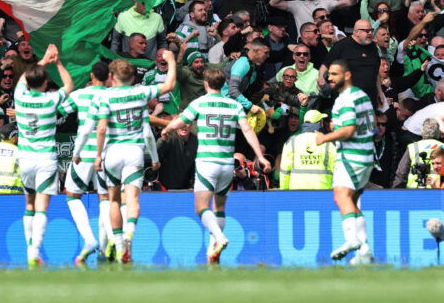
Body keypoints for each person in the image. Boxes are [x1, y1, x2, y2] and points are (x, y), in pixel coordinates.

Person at [160, 67, 270, 264]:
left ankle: (219, 238)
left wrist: (167, 128)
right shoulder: (234, 106)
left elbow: (180, 122)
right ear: (223, 85)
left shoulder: (199, 103)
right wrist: (260, 156)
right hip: (227, 164)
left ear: (205, 84)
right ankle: (213, 252)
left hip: (206, 162)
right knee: (219, 208)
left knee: (201, 208)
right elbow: (248, 130)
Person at [94, 50, 177, 264]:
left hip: (112, 153)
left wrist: (97, 156)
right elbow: (168, 86)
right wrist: (172, 61)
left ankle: (120, 245)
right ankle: (129, 235)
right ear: (132, 77)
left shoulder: (106, 96)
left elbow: (101, 129)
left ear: (111, 77)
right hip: (134, 152)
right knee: (132, 199)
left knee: (113, 200)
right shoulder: (141, 93)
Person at [14, 43, 73, 268]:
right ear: (46, 83)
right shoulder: (50, 100)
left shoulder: (20, 97)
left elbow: (23, 80)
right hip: (45, 160)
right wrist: (56, 62)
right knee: (41, 207)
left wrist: (42, 61)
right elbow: (69, 85)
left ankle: (29, 249)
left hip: (26, 159)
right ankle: (34, 252)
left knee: (28, 205)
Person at [315, 59, 376, 264]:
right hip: (367, 154)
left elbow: (349, 130)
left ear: (347, 75)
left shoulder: (345, 99)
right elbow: (370, 125)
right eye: (329, 74)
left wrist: (325, 137)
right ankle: (365, 251)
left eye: (334, 74)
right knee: (352, 200)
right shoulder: (363, 96)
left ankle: (351, 240)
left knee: (341, 196)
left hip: (352, 155)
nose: (329, 78)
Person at [62, 59, 109, 266]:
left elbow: (60, 111)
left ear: (91, 76)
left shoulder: (80, 94)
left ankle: (90, 240)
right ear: (108, 78)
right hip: (107, 155)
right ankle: (107, 244)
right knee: (105, 199)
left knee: (72, 196)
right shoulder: (112, 96)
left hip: (82, 154)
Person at [279, 110, 336, 190]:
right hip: (323, 192)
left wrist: (284, 193)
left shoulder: (291, 142)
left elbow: (284, 171)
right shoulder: (328, 144)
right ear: (320, 123)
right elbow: (337, 170)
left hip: (296, 192)